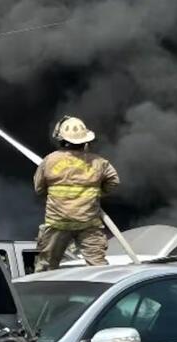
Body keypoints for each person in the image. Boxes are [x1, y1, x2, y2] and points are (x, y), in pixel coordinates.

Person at [33, 116, 119, 272]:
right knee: (98, 269)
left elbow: (39, 188)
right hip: (88, 224)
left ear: (61, 139)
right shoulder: (99, 162)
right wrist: (97, 193)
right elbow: (113, 181)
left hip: (57, 224)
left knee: (46, 269)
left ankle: (43, 296)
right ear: (86, 141)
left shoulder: (49, 161)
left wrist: (58, 195)